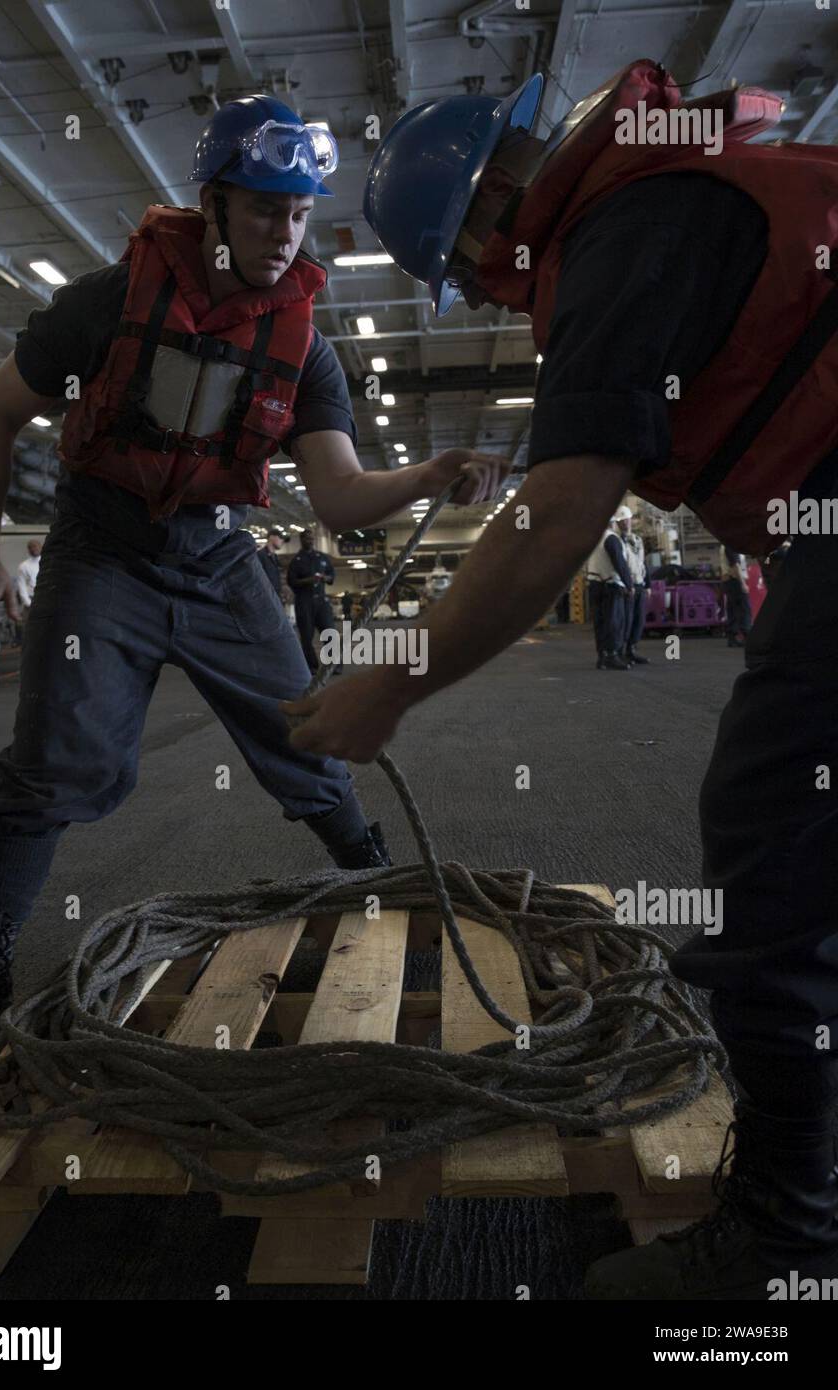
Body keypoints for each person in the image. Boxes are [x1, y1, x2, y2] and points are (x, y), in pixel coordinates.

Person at [286, 62, 838, 1299]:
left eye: (479, 257)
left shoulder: (624, 228)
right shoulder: (684, 188)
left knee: (775, 859)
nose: (492, 274)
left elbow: (557, 514)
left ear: (486, 216)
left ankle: (785, 1248)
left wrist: (387, 684)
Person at [0, 93, 510, 1096]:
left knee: (315, 736)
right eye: (261, 210)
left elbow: (336, 494)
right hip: (99, 553)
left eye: (298, 214)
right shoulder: (107, 300)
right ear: (213, 204)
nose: (281, 233)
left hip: (217, 558)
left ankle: (389, 902)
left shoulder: (306, 344)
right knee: (50, 772)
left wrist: (423, 474)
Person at [585, 514, 633, 670]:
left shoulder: (593, 537)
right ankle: (612, 655)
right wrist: (629, 584)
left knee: (600, 622)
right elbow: (620, 564)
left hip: (594, 584)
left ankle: (602, 657)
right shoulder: (611, 539)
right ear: (613, 523)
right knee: (614, 622)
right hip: (610, 586)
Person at [286, 528, 336, 671]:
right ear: (302, 540)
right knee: (306, 638)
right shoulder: (296, 561)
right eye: (307, 538)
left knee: (330, 633)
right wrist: (309, 580)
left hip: (322, 602)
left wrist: (325, 578)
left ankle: (334, 665)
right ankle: (312, 667)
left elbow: (331, 575)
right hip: (304, 603)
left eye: (312, 538)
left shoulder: (322, 557)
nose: (310, 541)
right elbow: (292, 582)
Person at [615, 505, 650, 664]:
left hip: (640, 585)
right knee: (627, 620)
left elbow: (643, 564)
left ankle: (632, 649)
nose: (626, 523)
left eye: (627, 520)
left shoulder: (637, 540)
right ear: (618, 523)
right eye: (622, 521)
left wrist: (648, 585)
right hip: (627, 587)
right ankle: (621, 650)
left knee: (639, 619)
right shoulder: (617, 541)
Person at [721, 544, 752, 648]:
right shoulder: (731, 546)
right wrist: (743, 583)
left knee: (732, 610)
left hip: (729, 581)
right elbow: (735, 566)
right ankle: (748, 637)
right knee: (744, 609)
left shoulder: (725, 545)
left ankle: (732, 638)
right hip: (735, 581)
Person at [256, 526, 286, 601]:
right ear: (272, 537)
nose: (282, 541)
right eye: (280, 537)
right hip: (265, 598)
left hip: (276, 596)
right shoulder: (260, 556)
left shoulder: (275, 557)